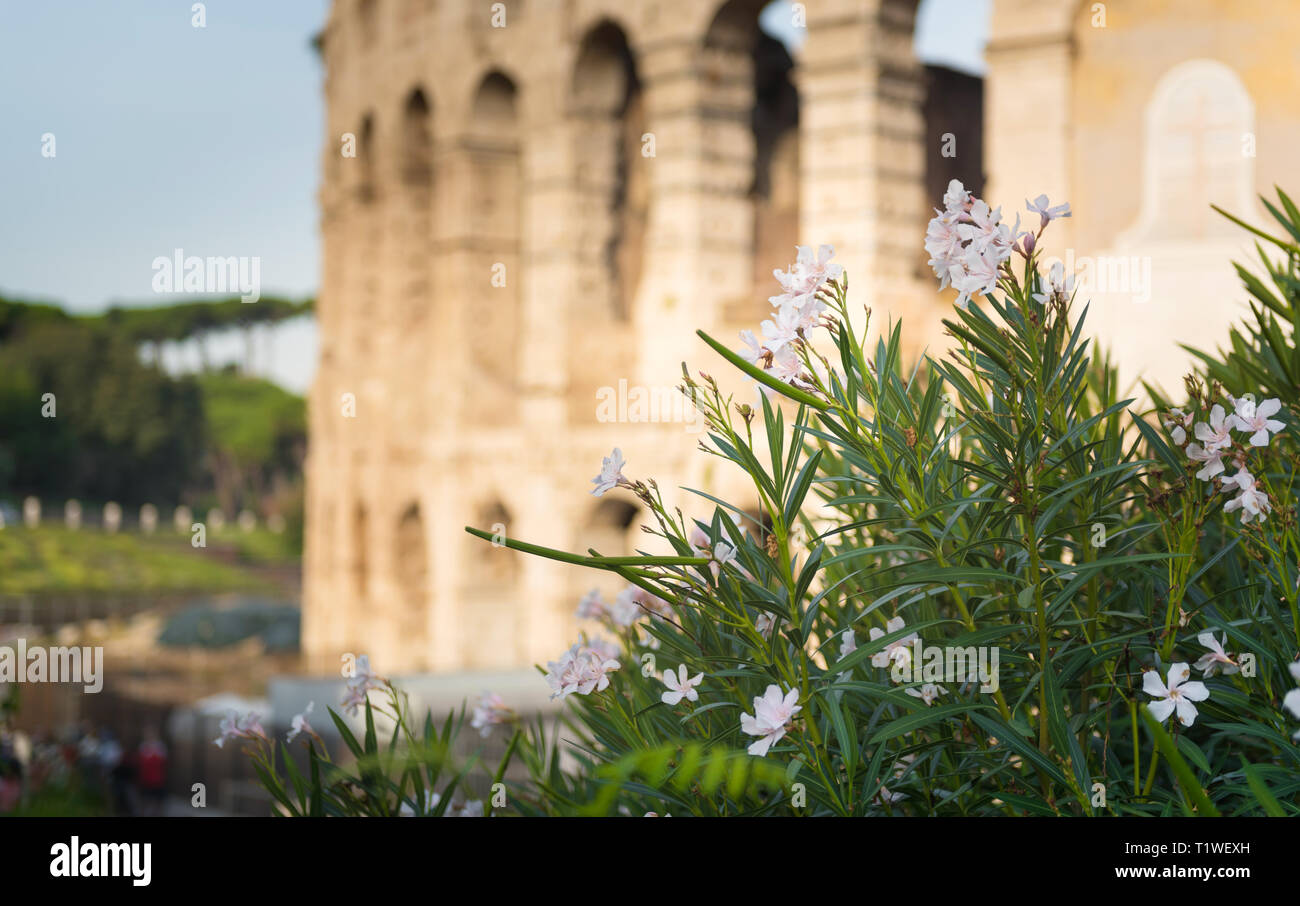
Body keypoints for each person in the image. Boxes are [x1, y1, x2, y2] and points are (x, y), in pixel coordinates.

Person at [135, 727, 168, 816]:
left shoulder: (161, 747)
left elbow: (163, 763)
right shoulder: (143, 747)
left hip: (158, 780)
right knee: (145, 802)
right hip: (145, 780)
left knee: (158, 803)